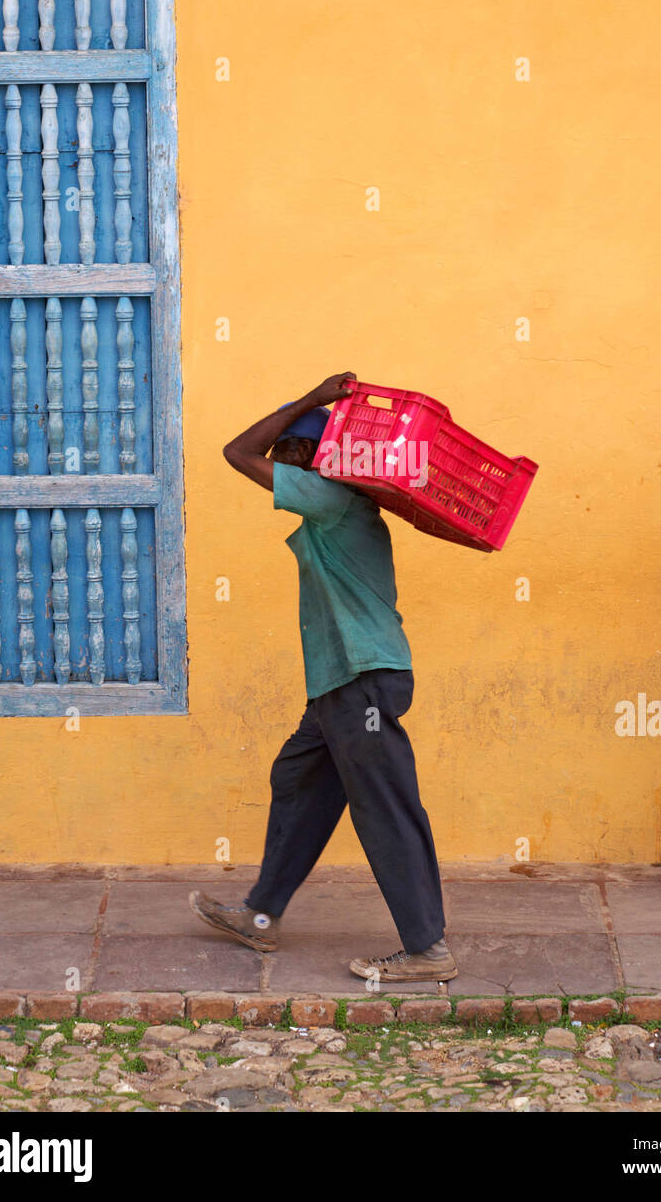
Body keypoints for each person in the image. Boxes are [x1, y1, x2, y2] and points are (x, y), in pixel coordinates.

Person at [189, 371, 457, 984]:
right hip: (340, 684)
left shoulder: (330, 498)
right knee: (299, 779)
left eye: (288, 449)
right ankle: (262, 915)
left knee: (386, 808)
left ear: (309, 454)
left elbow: (237, 452)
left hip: (360, 681)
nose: (278, 461)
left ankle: (427, 950)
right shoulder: (334, 506)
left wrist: (311, 400)